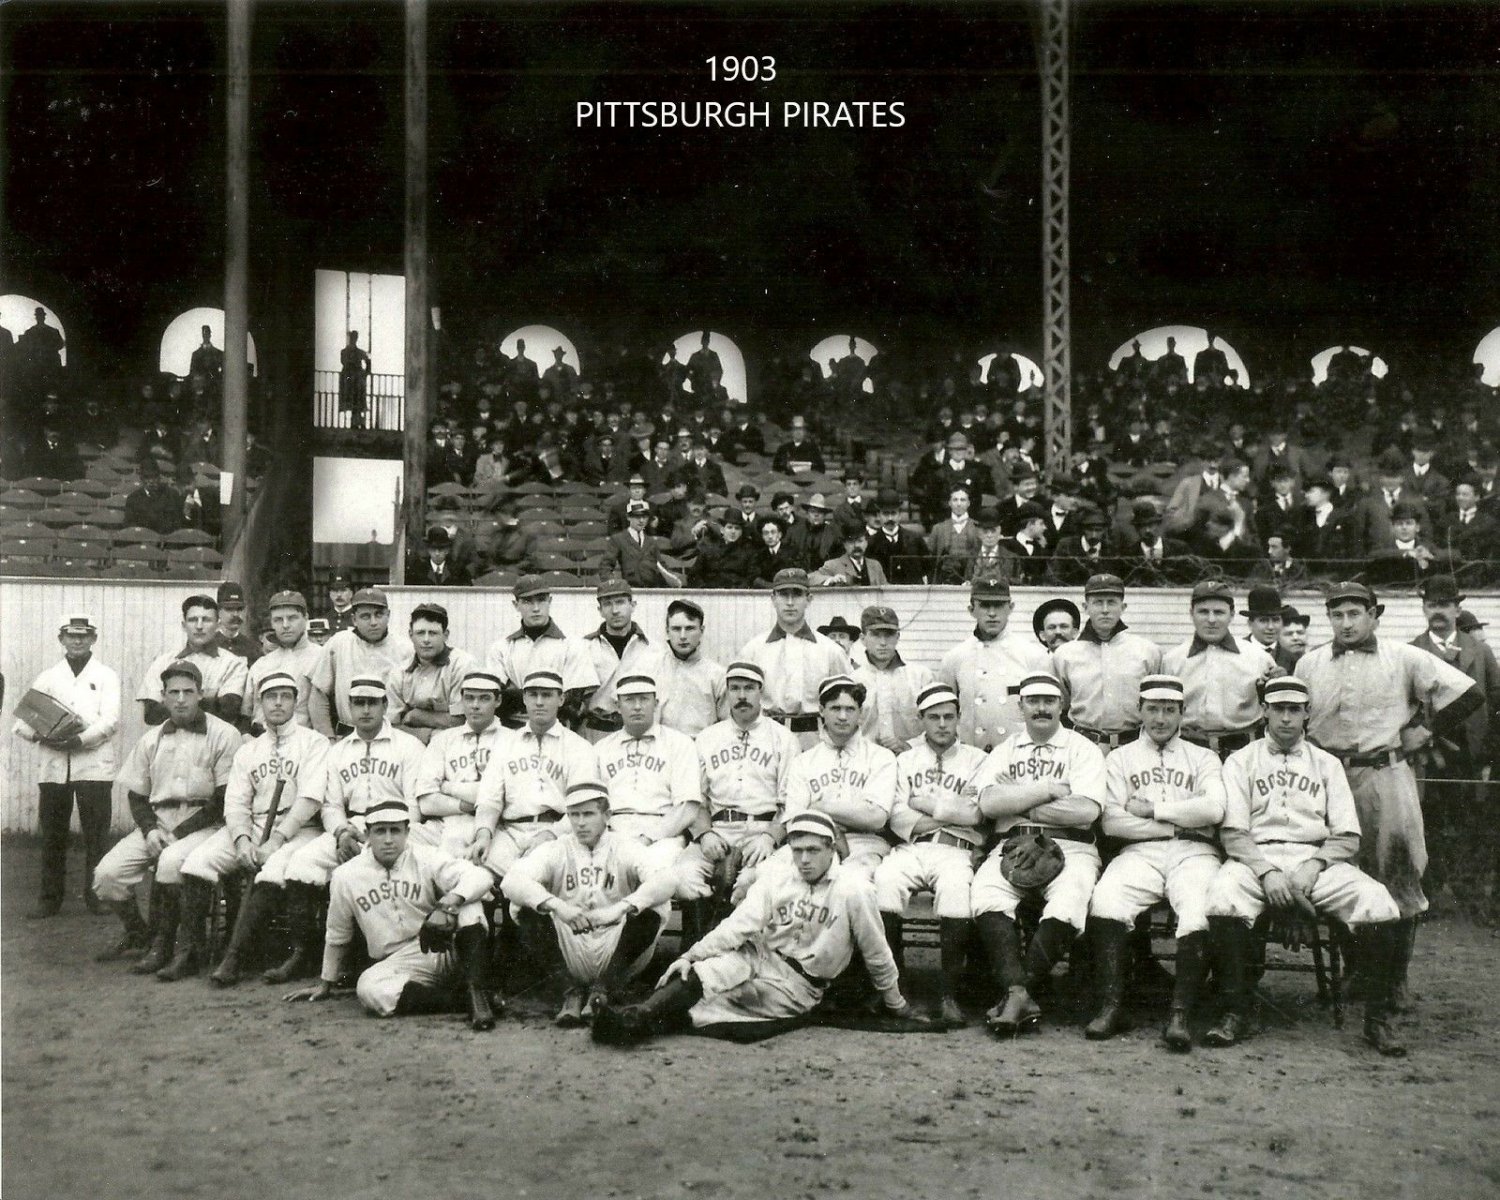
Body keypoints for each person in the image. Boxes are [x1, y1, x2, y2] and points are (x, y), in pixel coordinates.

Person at [1295, 580, 1481, 1008]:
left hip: (1387, 775)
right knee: (1340, 874)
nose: (1346, 624)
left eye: (1355, 614)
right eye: (1337, 615)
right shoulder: (1309, 664)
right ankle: (1359, 974)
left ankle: (1394, 981)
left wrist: (1427, 730)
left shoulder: (1405, 657)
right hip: (1330, 780)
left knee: (1398, 871)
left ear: (1374, 615)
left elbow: (1471, 694)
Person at [1204, 676, 1411, 1056]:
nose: (1285, 718)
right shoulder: (1240, 761)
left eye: (1294, 710)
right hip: (1256, 858)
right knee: (1222, 897)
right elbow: (1233, 833)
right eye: (1278, 709)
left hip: (1316, 860)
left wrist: (1311, 868)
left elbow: (1348, 836)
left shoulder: (1327, 764)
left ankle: (1378, 1021)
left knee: (1379, 901)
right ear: (1264, 711)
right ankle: (1234, 1011)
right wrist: (1267, 873)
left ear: (1307, 714)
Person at [591, 811, 911, 1046]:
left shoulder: (853, 889)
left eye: (813, 850)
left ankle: (638, 1021)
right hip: (756, 954)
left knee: (725, 1003)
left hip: (798, 983)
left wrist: (895, 1003)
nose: (804, 859)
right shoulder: (778, 877)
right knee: (700, 973)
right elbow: (738, 926)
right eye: (797, 850)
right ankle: (635, 1018)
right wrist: (690, 955)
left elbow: (876, 951)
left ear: (832, 849)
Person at [1084, 675, 1225, 1049]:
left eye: (1169, 710)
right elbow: (1113, 821)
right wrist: (1176, 823)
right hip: (1140, 852)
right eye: (1153, 709)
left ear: (1182, 712)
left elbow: (1213, 809)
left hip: (1195, 853)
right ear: (1140, 711)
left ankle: (1180, 1013)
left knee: (1197, 910)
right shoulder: (1120, 757)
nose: (1161, 718)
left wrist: (1154, 810)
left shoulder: (1204, 756)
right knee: (1107, 900)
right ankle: (1111, 1006)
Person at [284, 796, 496, 1031]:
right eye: (380, 831)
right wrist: (326, 983)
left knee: (470, 905)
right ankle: (466, 1001)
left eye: (395, 831)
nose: (388, 840)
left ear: (407, 832)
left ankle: (476, 991)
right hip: (398, 963)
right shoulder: (346, 875)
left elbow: (481, 877)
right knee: (369, 989)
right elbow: (338, 933)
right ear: (367, 833)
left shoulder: (426, 856)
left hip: (442, 946)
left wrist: (446, 904)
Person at [970, 672, 1106, 1034]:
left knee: (1069, 900)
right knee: (986, 895)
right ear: (1021, 707)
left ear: (1062, 705)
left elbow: (1086, 810)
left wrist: (1020, 802)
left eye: (1049, 701)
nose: (1041, 708)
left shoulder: (1083, 749)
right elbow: (988, 802)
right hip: (1012, 842)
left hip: (1071, 843)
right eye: (1033, 701)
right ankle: (1020, 992)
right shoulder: (1005, 750)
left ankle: (1016, 993)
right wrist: (1048, 790)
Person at [178, 671, 331, 985]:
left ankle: (235, 957)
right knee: (196, 862)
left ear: (295, 701)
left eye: (285, 696)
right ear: (260, 703)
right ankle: (191, 951)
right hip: (253, 825)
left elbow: (311, 799)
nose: (278, 703)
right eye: (270, 697)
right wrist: (242, 839)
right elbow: (235, 802)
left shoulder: (314, 743)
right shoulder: (249, 750)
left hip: (299, 828)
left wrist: (276, 839)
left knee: (271, 870)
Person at [272, 676, 428, 983]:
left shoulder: (409, 746)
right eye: (358, 703)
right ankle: (304, 951)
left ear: (385, 706)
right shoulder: (338, 751)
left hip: (394, 829)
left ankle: (366, 955)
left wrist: (380, 835)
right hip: (352, 826)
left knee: (371, 871)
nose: (366, 710)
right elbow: (330, 805)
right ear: (349, 707)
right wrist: (342, 832)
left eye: (373, 702)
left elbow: (414, 805)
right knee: (300, 863)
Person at [92, 661, 239, 973]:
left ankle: (166, 944)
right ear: (163, 696)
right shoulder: (151, 739)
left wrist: (179, 832)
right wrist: (149, 831)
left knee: (171, 861)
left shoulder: (224, 734)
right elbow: (137, 794)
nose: (181, 699)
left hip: (205, 823)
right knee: (107, 876)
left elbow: (224, 799)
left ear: (202, 694)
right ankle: (139, 933)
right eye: (174, 693)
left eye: (189, 692)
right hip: (159, 821)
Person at [502, 781, 680, 1026]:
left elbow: (667, 879)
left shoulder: (625, 846)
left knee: (655, 907)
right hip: (569, 945)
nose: (580, 823)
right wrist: (557, 906)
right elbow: (511, 881)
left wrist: (620, 908)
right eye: (574, 815)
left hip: (615, 947)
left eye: (588, 814)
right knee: (523, 907)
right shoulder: (558, 848)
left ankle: (603, 990)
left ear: (607, 815)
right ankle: (570, 992)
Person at [875, 683, 990, 1022]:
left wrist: (924, 804)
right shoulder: (904, 760)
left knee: (956, 889)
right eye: (934, 717)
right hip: (911, 847)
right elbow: (897, 816)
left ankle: (947, 995)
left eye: (949, 717)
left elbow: (976, 814)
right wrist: (949, 813)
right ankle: (890, 992)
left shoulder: (977, 759)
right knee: (884, 881)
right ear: (921, 719)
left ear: (959, 719)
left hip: (956, 850)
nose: (942, 724)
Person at [11, 614, 119, 919]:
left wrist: (79, 740)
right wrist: (42, 736)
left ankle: (97, 895)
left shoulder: (107, 676)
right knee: (53, 835)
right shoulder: (47, 677)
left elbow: (111, 721)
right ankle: (50, 899)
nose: (77, 641)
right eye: (71, 636)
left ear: (93, 639)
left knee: (96, 835)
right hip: (54, 766)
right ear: (61, 639)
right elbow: (22, 722)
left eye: (83, 636)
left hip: (93, 766)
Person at [593, 674, 713, 936]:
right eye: (629, 700)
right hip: (614, 831)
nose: (637, 706)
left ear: (656, 703)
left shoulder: (679, 744)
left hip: (663, 833)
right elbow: (595, 803)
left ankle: (637, 956)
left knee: (652, 876)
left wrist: (650, 837)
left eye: (644, 700)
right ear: (618, 705)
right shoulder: (602, 748)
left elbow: (688, 805)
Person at [1408, 575, 1500, 897]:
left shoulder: (1481, 652)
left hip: (1471, 757)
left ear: (1457, 609)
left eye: (1445, 605)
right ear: (1423, 608)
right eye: (1432, 604)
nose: (1438, 612)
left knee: (1471, 825)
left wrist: (1489, 757)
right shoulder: (1410, 652)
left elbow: (1497, 704)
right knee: (1428, 824)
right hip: (1428, 758)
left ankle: (1467, 894)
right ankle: (1428, 893)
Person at [467, 670, 599, 889]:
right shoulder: (506, 743)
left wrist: (550, 834)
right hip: (510, 833)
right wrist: (483, 833)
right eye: (533, 695)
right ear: (524, 699)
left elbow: (583, 805)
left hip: (557, 834)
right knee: (476, 868)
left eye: (547, 695)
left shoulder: (579, 747)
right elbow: (489, 799)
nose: (539, 702)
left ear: (561, 699)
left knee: (531, 877)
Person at [693, 661, 801, 914]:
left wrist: (770, 837)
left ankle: (754, 951)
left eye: (749, 688)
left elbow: (792, 800)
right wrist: (704, 833)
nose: (742, 696)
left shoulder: (784, 739)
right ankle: (695, 948)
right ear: (727, 692)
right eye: (735, 688)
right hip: (718, 831)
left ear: (761, 692)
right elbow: (695, 798)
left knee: (753, 883)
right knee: (686, 876)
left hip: (762, 831)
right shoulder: (707, 738)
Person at [773, 675, 897, 883]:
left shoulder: (881, 757)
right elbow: (795, 817)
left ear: (860, 714)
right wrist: (847, 818)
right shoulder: (804, 761)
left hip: (865, 843)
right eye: (835, 708)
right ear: (822, 711)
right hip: (811, 841)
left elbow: (876, 817)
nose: (842, 716)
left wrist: (821, 807)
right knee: (769, 873)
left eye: (850, 709)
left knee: (851, 882)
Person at [1161, 580, 1279, 760]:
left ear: (1231, 614)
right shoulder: (1173, 660)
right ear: (1191, 614)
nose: (1211, 620)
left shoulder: (1258, 658)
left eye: (1219, 612)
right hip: (1187, 755)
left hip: (1244, 754)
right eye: (1203, 612)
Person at [737, 568, 852, 748]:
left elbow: (848, 700)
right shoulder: (753, 650)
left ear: (809, 599)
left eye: (797, 595)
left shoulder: (830, 651)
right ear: (773, 599)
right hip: (767, 739)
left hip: (817, 740)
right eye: (783, 595)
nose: (790, 602)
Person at [1051, 573, 1162, 753]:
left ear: (1123, 607)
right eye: (1098, 602)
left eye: (1111, 602)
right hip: (1082, 746)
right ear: (1086, 607)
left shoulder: (1147, 651)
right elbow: (1060, 706)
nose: (1105, 609)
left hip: (1134, 746)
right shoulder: (1065, 655)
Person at [938, 576, 1050, 752]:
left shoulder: (1033, 655)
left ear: (1011, 608)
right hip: (970, 755)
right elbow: (943, 711)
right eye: (984, 605)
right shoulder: (955, 657)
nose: (992, 613)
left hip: (1019, 757)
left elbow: (1046, 713)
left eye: (998, 606)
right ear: (971, 610)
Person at [408, 669, 508, 861]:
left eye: (484, 699)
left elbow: (507, 797)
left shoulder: (513, 740)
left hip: (495, 826)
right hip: (445, 823)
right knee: (402, 841)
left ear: (498, 701)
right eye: (469, 698)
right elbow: (427, 803)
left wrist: (447, 787)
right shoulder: (443, 740)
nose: (475, 706)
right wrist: (465, 804)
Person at [485, 576, 598, 729]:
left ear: (550, 601)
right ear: (515, 605)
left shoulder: (572, 645)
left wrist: (517, 695)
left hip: (558, 729)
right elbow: (495, 699)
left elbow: (573, 702)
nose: (536, 608)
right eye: (527, 602)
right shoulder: (501, 648)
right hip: (512, 731)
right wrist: (552, 695)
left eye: (541, 600)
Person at [308, 588, 415, 738]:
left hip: (391, 736)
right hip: (347, 734)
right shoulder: (339, 643)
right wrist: (328, 738)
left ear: (388, 615)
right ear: (354, 619)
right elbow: (319, 695)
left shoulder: (406, 649)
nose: (373, 622)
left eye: (379, 615)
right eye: (365, 616)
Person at [138, 594, 248, 727]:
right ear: (184, 625)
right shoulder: (163, 662)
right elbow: (152, 715)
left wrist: (172, 701)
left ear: (218, 625)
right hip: (169, 742)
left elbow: (227, 712)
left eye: (206, 620)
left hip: (214, 742)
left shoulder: (233, 664)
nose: (199, 626)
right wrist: (210, 699)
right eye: (193, 620)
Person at [385, 602, 474, 746]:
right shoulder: (399, 672)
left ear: (445, 635)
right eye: (420, 633)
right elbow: (391, 725)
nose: (426, 640)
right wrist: (425, 734)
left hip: (457, 745)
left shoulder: (462, 665)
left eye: (433, 633)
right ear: (410, 635)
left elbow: (462, 720)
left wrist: (416, 716)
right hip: (409, 747)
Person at [579, 579, 656, 743]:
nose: (615, 610)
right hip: (596, 729)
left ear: (632, 605)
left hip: (639, 732)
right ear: (600, 610)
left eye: (620, 602)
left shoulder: (652, 648)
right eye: (607, 604)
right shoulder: (584, 647)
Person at [852, 605, 934, 754]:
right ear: (862, 638)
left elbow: (935, 722)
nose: (883, 642)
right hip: (865, 761)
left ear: (897, 637)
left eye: (889, 635)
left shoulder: (921, 677)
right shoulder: (853, 681)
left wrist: (910, 745)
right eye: (875, 634)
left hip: (912, 760)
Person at [243, 590, 322, 732]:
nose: (285, 625)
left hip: (304, 742)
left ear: (306, 618)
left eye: (292, 618)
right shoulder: (262, 664)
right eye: (278, 620)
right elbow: (246, 712)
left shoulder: (321, 657)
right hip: (262, 741)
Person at [653, 598, 727, 736]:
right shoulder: (652, 669)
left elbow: (727, 724)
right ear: (667, 631)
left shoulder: (717, 675)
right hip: (661, 750)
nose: (682, 636)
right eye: (676, 629)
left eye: (690, 628)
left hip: (701, 750)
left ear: (701, 631)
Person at [866, 488, 929, 585]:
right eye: (886, 514)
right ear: (879, 515)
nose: (890, 518)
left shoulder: (915, 540)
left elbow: (927, 569)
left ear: (900, 515)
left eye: (893, 513)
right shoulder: (871, 544)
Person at [123, 458, 186, 536]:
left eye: (154, 476)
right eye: (147, 477)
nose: (151, 481)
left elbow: (178, 522)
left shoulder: (172, 495)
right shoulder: (133, 498)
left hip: (167, 540)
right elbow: (129, 525)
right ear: (141, 478)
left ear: (159, 477)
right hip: (143, 539)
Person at [810, 527, 888, 587]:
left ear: (866, 542)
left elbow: (886, 588)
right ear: (844, 545)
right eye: (851, 542)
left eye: (860, 541)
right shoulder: (833, 565)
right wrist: (830, 580)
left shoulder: (875, 565)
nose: (856, 545)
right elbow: (810, 578)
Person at [213, 581, 260, 664]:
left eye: (239, 609)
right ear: (218, 612)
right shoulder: (209, 646)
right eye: (229, 609)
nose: (235, 614)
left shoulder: (252, 648)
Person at [338, 331, 371, 429]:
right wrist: (364, 372)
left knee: (357, 401)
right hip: (350, 379)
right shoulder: (346, 351)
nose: (353, 339)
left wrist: (365, 373)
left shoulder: (354, 352)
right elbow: (344, 362)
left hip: (355, 380)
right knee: (354, 401)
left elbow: (368, 361)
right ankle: (356, 422)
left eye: (354, 338)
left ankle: (357, 422)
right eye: (353, 337)